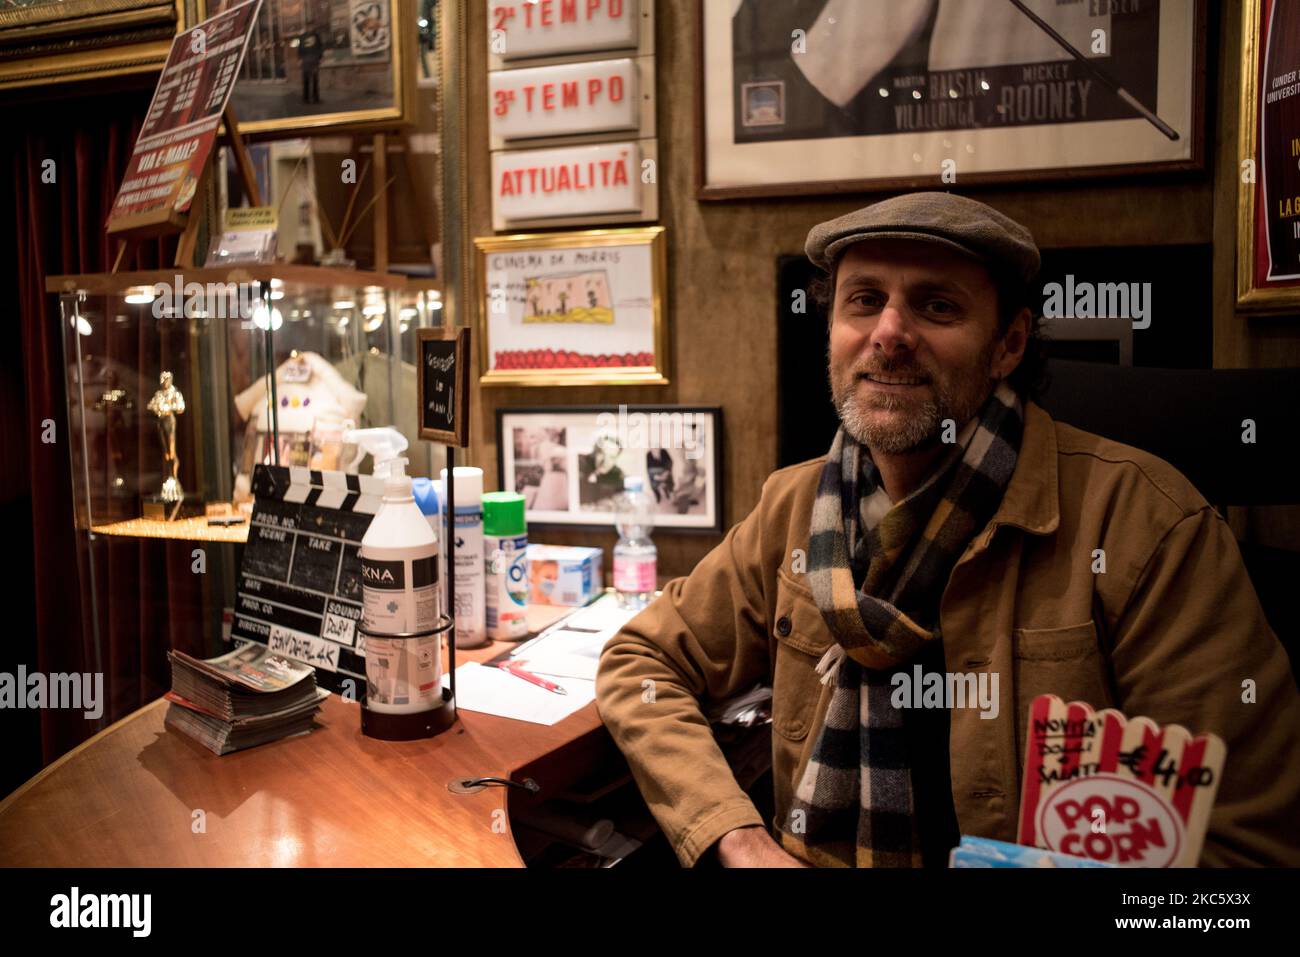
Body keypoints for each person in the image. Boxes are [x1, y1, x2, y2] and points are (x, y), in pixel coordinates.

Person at [595, 192, 1300, 868]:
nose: (890, 333)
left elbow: (1243, 847)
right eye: (863, 300)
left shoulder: (1151, 525)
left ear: (1009, 343)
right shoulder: (794, 506)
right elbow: (642, 663)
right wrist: (737, 837)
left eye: (937, 305)